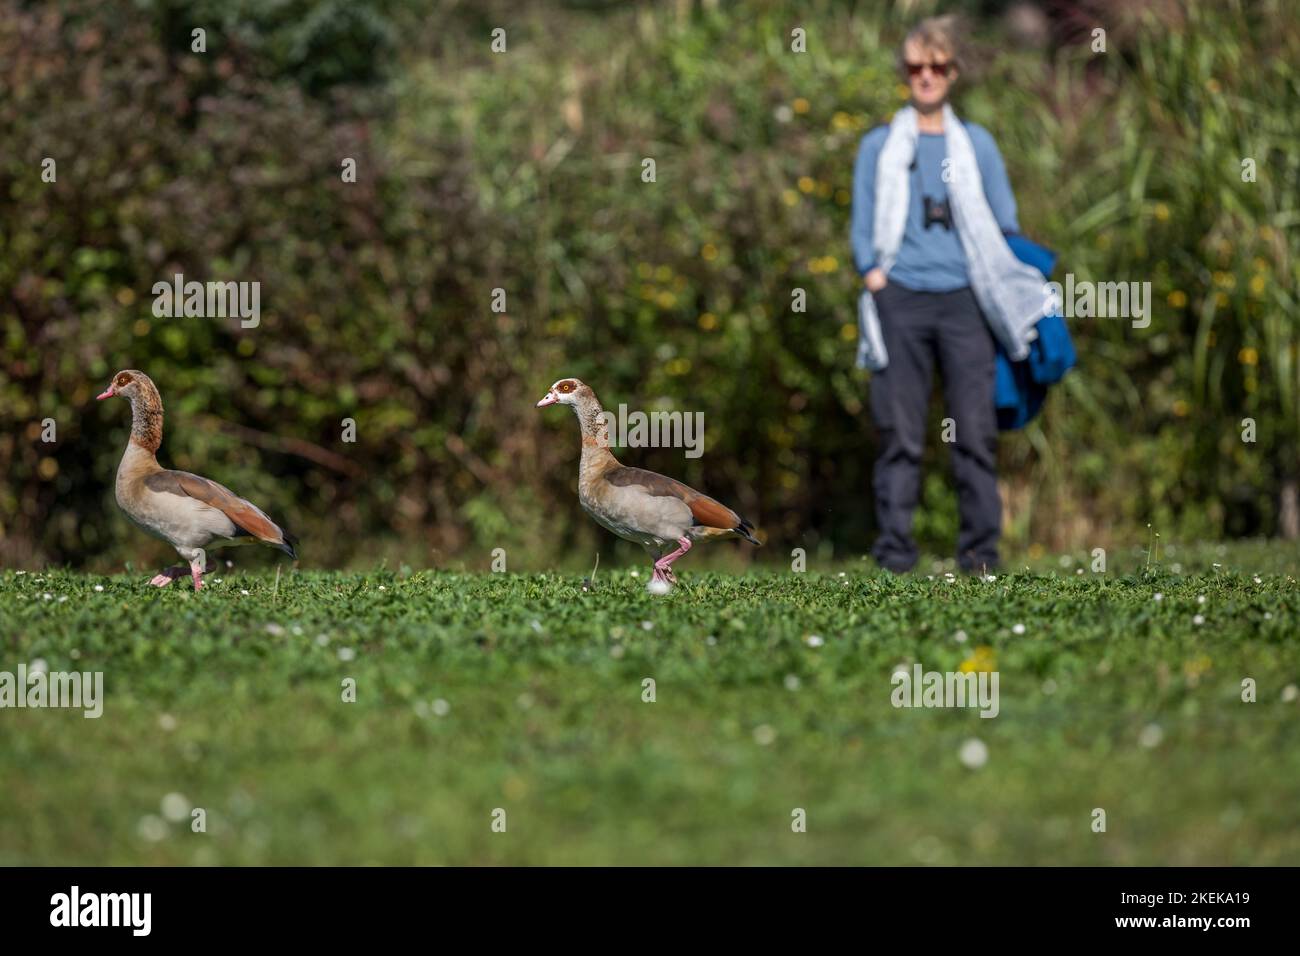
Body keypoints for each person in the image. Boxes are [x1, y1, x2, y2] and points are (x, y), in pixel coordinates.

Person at [850, 15, 1027, 574]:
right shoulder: (879, 145)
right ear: (905, 73)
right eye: (916, 67)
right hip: (900, 298)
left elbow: (1006, 225)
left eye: (937, 66)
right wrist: (875, 278)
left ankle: (980, 556)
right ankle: (895, 556)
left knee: (974, 434)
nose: (926, 76)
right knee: (900, 436)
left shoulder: (977, 145)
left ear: (953, 72)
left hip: (966, 303)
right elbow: (861, 229)